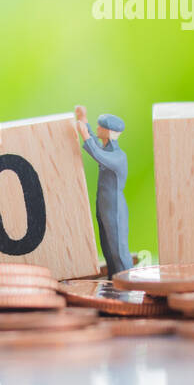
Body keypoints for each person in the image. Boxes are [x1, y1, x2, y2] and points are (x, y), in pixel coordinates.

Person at [74, 105, 132, 275]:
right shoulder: (107, 148)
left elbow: (98, 155)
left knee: (118, 248)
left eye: (101, 127)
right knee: (106, 244)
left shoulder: (118, 156)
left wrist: (84, 135)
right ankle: (114, 277)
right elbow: (97, 146)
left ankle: (127, 278)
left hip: (114, 206)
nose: (98, 128)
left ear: (109, 132)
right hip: (104, 204)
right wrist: (84, 119)